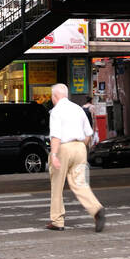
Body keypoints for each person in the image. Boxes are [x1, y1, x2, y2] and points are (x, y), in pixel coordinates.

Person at [47, 83, 105, 233]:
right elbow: (88, 133)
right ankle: (96, 209)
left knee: (57, 185)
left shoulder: (56, 111)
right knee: (80, 183)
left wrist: (54, 155)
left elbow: (55, 136)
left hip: (63, 148)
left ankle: (57, 221)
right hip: (80, 148)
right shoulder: (78, 109)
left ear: (55, 96)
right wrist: (80, 147)